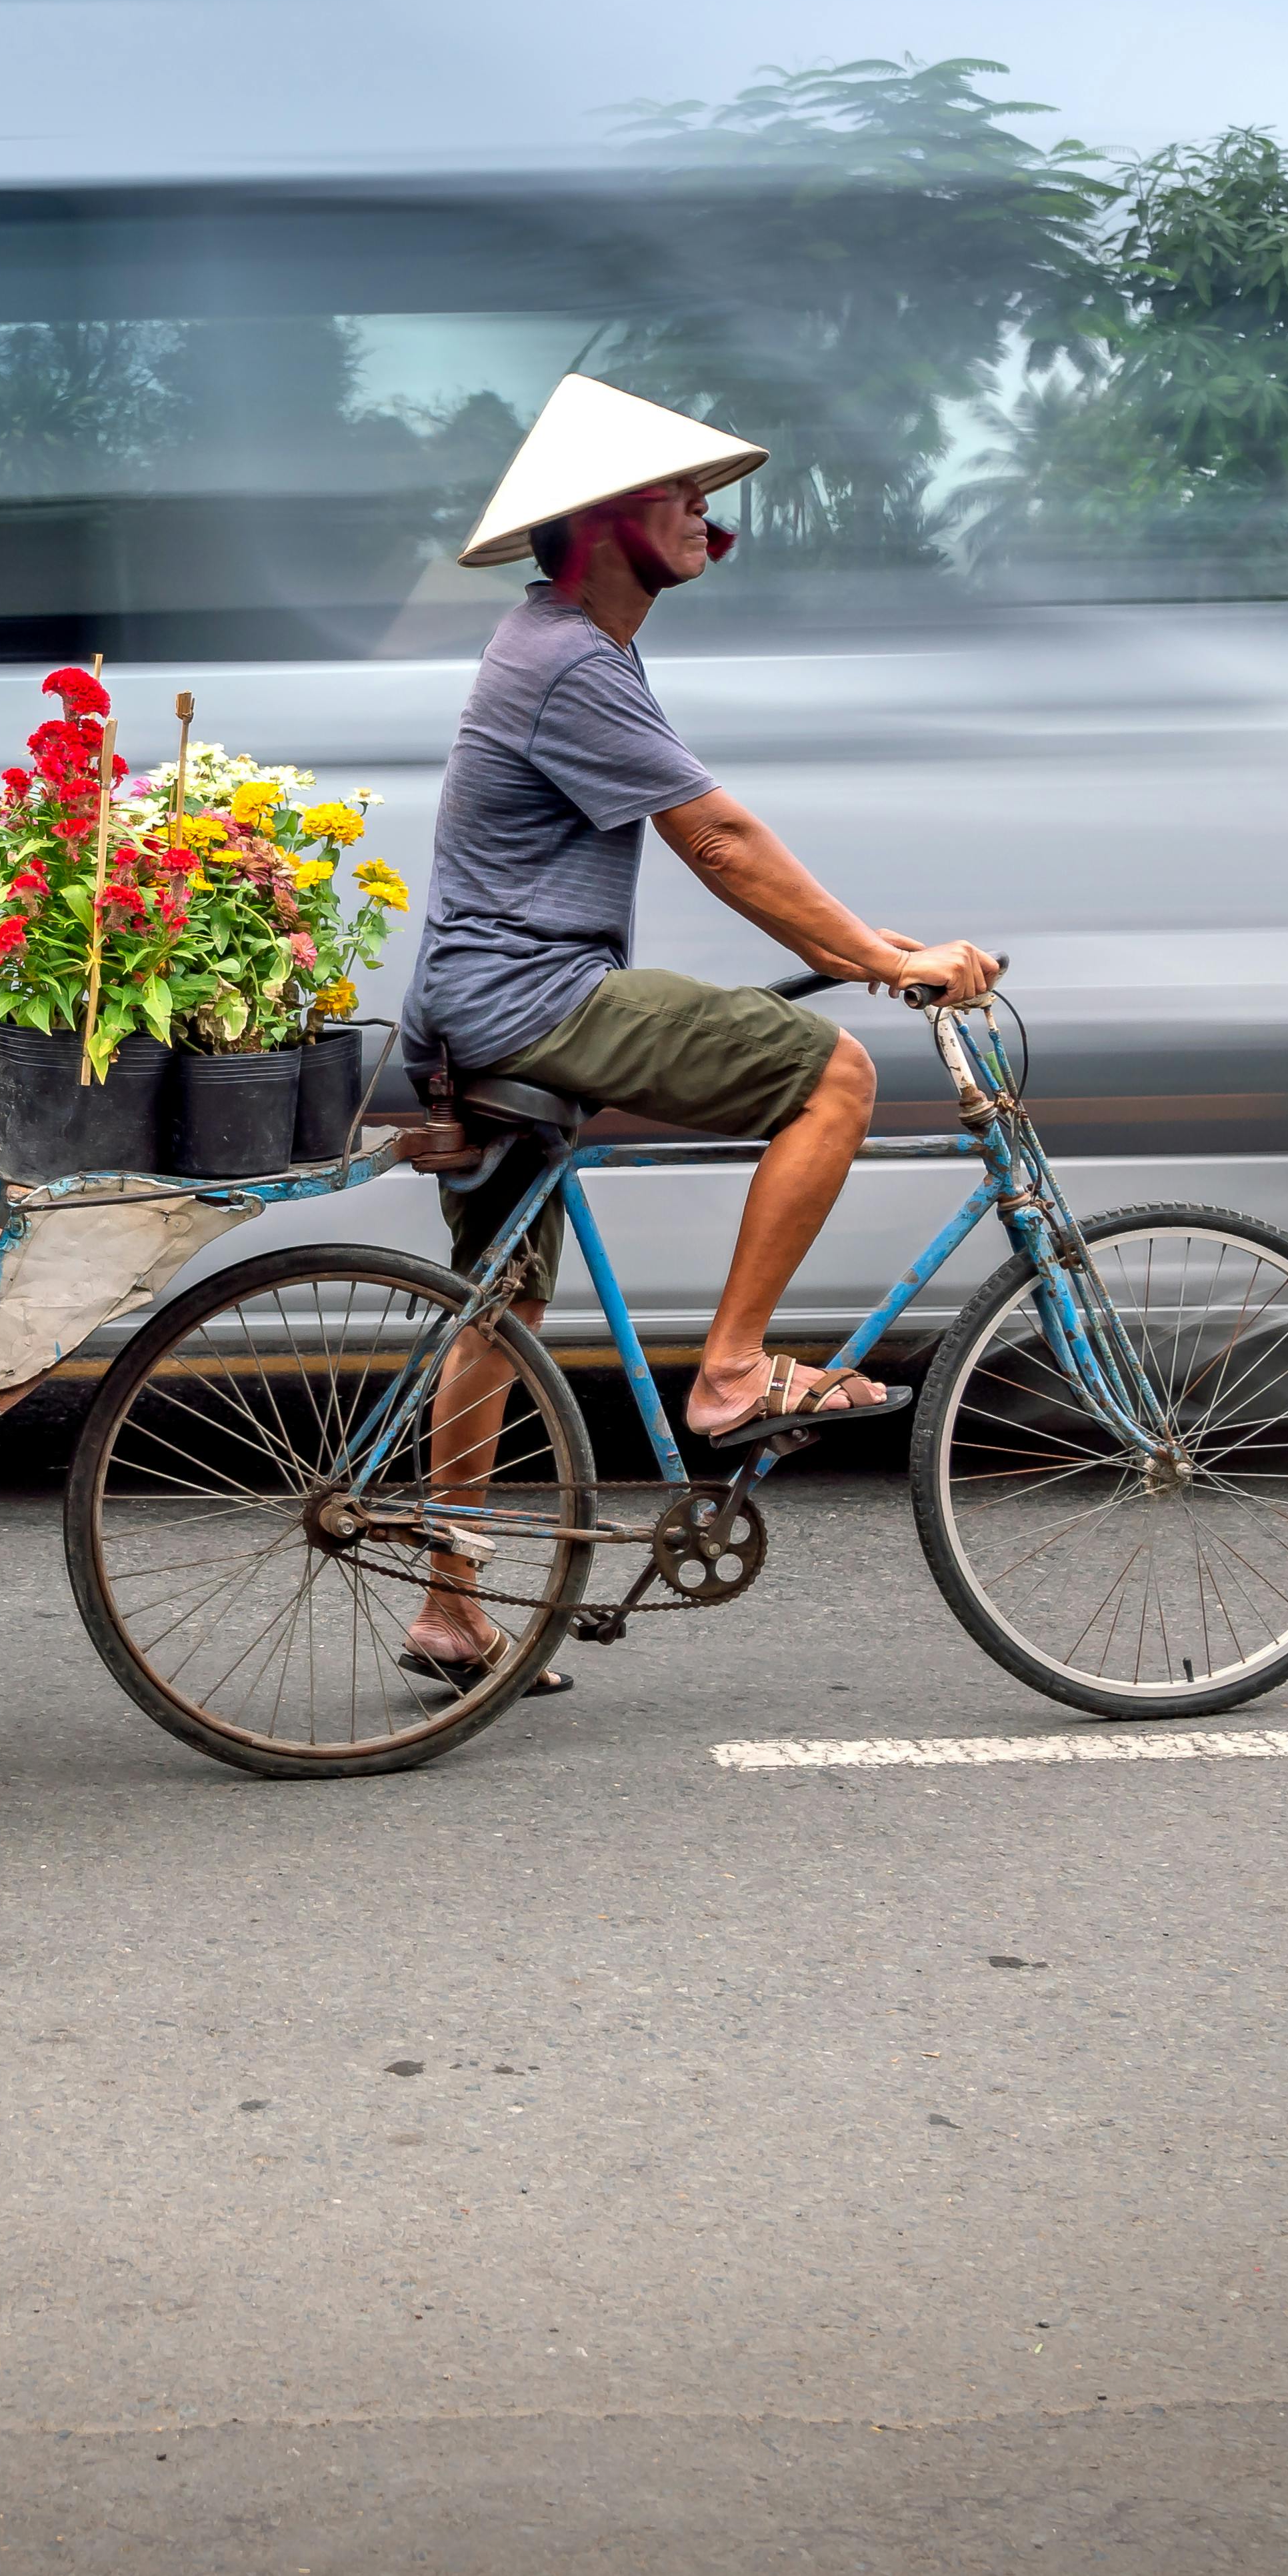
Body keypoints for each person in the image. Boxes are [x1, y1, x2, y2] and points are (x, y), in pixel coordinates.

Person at [397, 374, 1000, 1690]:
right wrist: (881, 968)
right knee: (830, 1075)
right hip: (530, 998)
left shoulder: (568, 642)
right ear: (607, 518)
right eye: (680, 491)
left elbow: (728, 845)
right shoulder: (567, 658)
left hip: (475, 1006)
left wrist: (874, 949)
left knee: (503, 1303)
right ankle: (730, 1372)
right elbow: (719, 839)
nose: (706, 510)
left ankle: (450, 1602)